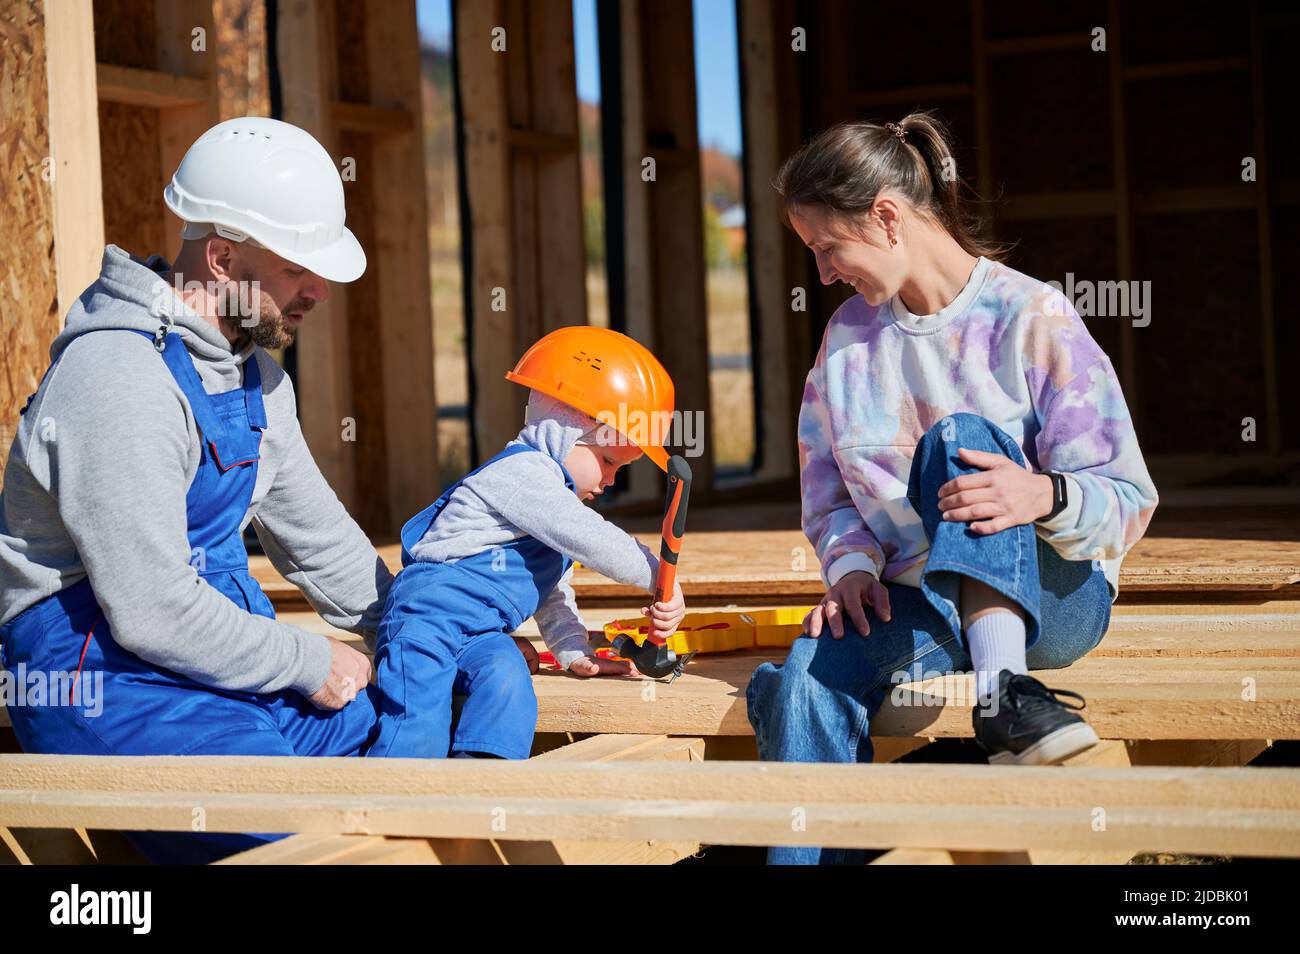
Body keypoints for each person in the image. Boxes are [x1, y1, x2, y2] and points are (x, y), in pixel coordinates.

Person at [746, 113, 1159, 864]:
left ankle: (1005, 695)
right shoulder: (845, 343)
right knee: (802, 676)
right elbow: (828, 494)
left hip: (1052, 600)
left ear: (886, 216)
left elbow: (1129, 498)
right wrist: (852, 570)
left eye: (826, 248)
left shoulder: (1032, 316)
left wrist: (1044, 495)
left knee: (957, 440)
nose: (824, 274)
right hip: (919, 602)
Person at [0, 117, 390, 863]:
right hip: (105, 679)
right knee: (300, 845)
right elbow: (148, 608)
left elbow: (324, 545)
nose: (321, 293)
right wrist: (310, 663)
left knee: (410, 757)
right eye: (296, 272)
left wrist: (424, 634)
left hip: (221, 662)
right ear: (220, 258)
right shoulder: (119, 380)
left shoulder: (259, 382)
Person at [366, 326, 687, 760]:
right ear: (565, 432)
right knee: (416, 719)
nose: (611, 480)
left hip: (483, 635)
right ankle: (389, 805)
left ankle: (486, 781)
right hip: (426, 624)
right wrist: (658, 576)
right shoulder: (524, 477)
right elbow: (592, 538)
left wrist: (573, 649)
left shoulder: (549, 511)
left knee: (507, 680)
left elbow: (551, 593)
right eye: (609, 461)